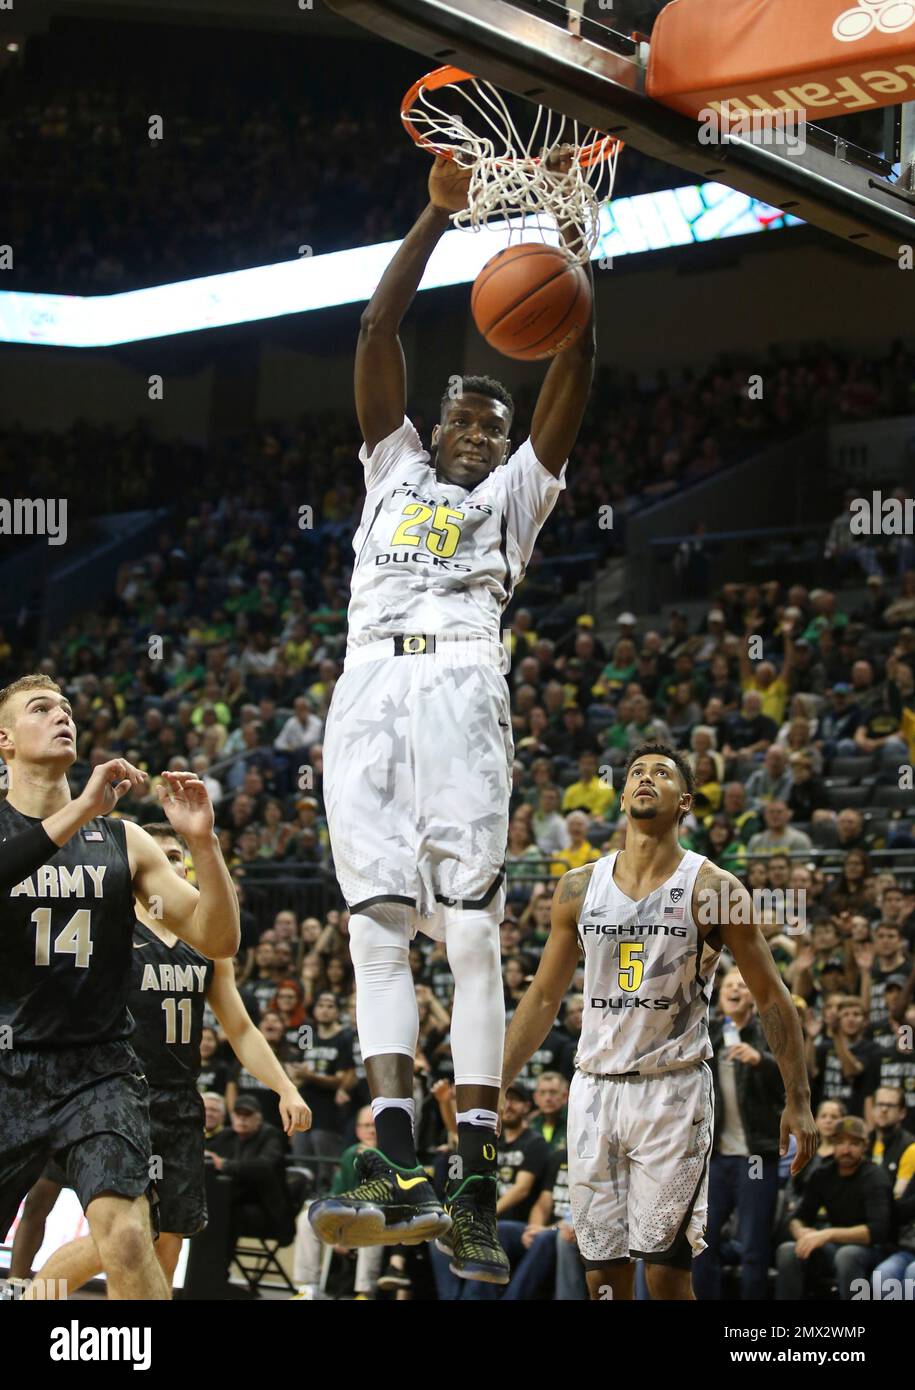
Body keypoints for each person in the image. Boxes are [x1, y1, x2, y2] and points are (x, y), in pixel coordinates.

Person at [311, 148, 598, 1281]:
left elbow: (576, 378)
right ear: (436, 430)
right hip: (366, 692)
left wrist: (576, 280)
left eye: (496, 423)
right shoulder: (392, 470)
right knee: (373, 931)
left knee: (471, 933)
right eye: (467, 421)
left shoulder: (516, 502)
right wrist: (433, 223)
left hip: (462, 688)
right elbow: (377, 335)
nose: (481, 436)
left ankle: (476, 1188)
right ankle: (394, 1167)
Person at [502, 741, 816, 1301]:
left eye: (662, 774)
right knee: (602, 1276)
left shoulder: (715, 889)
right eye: (637, 772)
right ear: (622, 795)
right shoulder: (577, 886)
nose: (646, 778)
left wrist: (798, 1098)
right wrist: (495, 1082)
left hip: (672, 1092)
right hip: (594, 1088)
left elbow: (771, 996)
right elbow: (544, 995)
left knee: (667, 1273)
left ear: (685, 801)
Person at [0, 673, 239, 1300]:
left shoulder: (121, 839)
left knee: (130, 1238)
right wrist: (81, 808)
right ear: (5, 740)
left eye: (68, 709)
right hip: (7, 1061)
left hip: (98, 1068)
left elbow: (217, 938)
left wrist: (203, 844)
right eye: (41, 708)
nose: (62, 717)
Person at [17, 823, 310, 1297]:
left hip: (180, 1103)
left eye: (177, 856)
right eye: (161, 856)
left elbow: (239, 1028)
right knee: (115, 1237)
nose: (171, 864)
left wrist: (286, 1087)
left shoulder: (206, 944)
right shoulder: (110, 930)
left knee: (170, 1237)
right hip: (118, 1099)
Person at [691, 970, 785, 1301]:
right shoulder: (707, 1033)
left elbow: (793, 1087)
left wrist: (762, 1061)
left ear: (753, 996)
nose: (734, 989)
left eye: (743, 985)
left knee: (754, 1247)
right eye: (729, 984)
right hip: (715, 1158)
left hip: (757, 1156)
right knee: (702, 1246)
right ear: (719, 995)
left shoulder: (768, 1033)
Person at [775, 1116, 892, 1299]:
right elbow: (798, 1216)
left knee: (847, 1255)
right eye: (840, 1142)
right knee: (788, 1251)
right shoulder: (823, 1175)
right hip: (833, 1246)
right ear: (832, 1144)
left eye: (854, 1143)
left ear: (865, 1146)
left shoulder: (875, 1177)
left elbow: (877, 1231)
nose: (846, 1149)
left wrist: (826, 1234)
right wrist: (802, 1233)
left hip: (872, 1249)